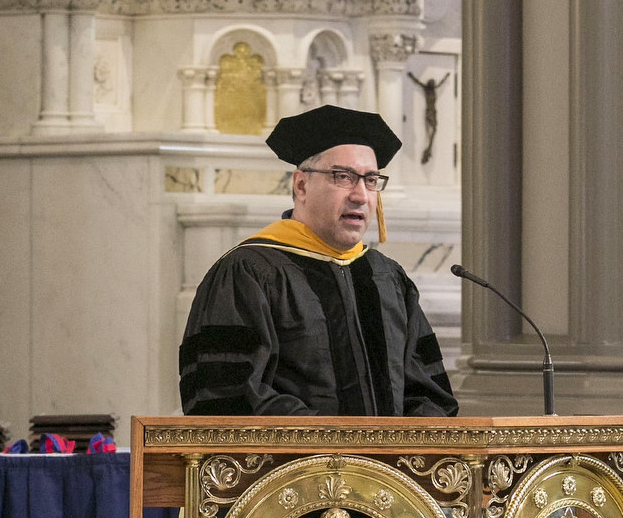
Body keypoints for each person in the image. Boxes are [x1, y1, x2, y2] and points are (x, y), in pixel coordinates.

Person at [179, 105, 457, 419]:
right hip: (294, 466)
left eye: (371, 180)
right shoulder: (249, 273)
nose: (361, 195)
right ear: (301, 186)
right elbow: (226, 396)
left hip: (386, 467)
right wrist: (337, 443)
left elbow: (428, 392)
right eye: (344, 177)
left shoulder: (387, 278)